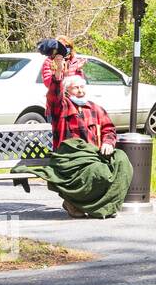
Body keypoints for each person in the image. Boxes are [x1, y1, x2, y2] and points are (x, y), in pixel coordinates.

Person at [25, 38, 132, 218]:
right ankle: (76, 202)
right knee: (96, 171)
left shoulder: (94, 108)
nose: (81, 91)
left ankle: (106, 205)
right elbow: (54, 92)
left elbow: (109, 129)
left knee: (122, 160)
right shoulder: (61, 106)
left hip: (94, 153)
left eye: (83, 87)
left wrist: (108, 142)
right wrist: (59, 72)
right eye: (76, 88)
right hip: (71, 157)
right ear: (67, 91)